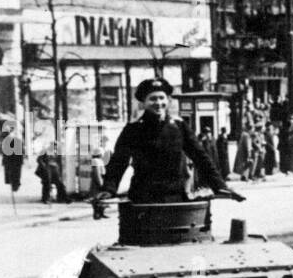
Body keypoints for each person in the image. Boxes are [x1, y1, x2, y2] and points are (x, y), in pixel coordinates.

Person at [97, 78, 241, 203]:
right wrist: (108, 189)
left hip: (175, 198)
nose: (158, 103)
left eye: (161, 98)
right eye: (152, 99)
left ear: (168, 100)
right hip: (143, 199)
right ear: (143, 103)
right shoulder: (133, 130)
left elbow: (201, 158)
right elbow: (118, 162)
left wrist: (220, 186)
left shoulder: (179, 127)